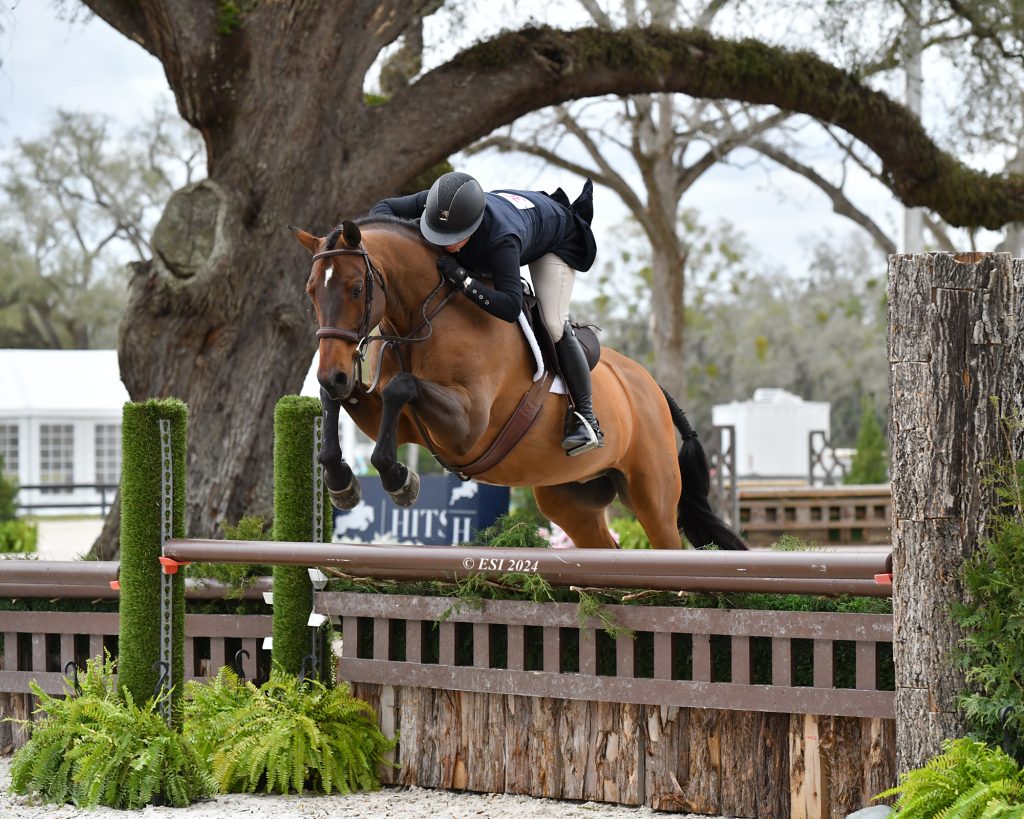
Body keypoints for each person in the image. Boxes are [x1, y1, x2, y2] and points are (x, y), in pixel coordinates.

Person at [370, 171, 603, 455]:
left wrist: (466, 282)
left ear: (474, 226)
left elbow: (509, 306)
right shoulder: (437, 202)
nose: (444, 243)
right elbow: (381, 211)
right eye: (439, 232)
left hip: (556, 239)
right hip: (516, 217)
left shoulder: (501, 241)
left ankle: (586, 418)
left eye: (453, 237)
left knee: (553, 323)